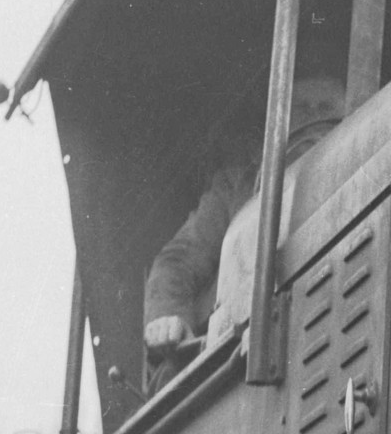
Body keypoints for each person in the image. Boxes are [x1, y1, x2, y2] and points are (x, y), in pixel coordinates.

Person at [144, 74, 348, 383]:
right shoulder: (238, 187)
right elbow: (177, 262)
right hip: (240, 351)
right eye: (303, 109)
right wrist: (167, 318)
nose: (315, 117)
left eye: (327, 108)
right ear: (284, 118)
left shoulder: (359, 166)